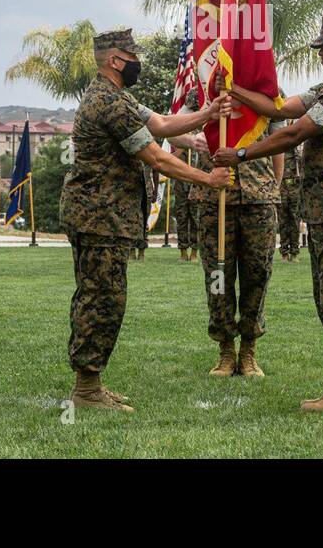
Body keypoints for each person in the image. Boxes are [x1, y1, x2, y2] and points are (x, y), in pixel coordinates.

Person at [212, 16, 323, 412]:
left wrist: (239, 154)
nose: (320, 52)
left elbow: (292, 133)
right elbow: (280, 108)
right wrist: (233, 89)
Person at [60, 28, 230, 412]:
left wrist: (209, 112)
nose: (139, 61)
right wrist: (209, 178)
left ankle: (92, 384)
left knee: (104, 297)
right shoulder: (109, 103)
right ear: (115, 60)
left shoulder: (117, 97)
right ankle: (86, 389)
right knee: (100, 300)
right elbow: (157, 156)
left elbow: (164, 125)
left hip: (104, 218)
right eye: (132, 55)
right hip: (98, 218)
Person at [182, 90, 284, 378]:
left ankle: (249, 349)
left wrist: (271, 189)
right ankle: (225, 349)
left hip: (258, 200)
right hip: (215, 197)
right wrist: (193, 139)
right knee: (217, 275)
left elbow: (279, 144)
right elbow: (174, 129)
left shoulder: (268, 91)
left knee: (257, 274)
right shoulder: (202, 89)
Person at [169, 143, 198, 260]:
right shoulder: (178, 138)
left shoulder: (200, 137)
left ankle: (195, 251)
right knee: (182, 217)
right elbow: (169, 159)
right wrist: (180, 149)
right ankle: (183, 251)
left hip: (197, 182)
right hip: (181, 182)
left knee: (196, 218)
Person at [279, 143, 303, 261]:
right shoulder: (279, 149)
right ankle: (284, 253)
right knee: (283, 221)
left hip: (295, 186)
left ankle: (294, 253)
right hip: (282, 186)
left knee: (295, 220)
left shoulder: (297, 150)